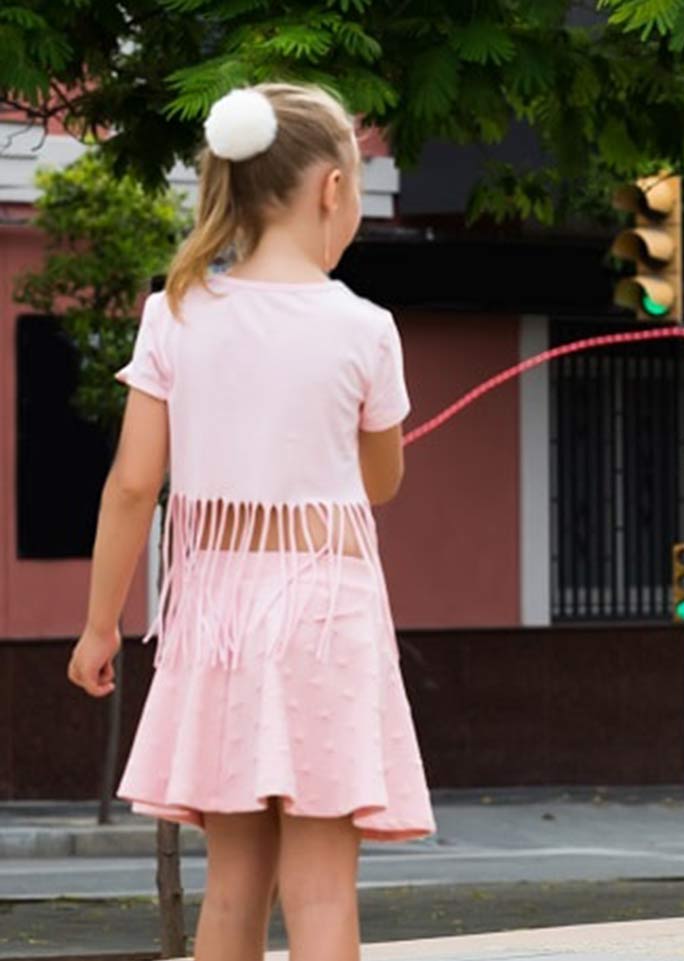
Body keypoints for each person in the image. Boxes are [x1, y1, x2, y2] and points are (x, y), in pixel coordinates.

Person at [66, 83, 432, 961]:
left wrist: (97, 625)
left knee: (231, 889)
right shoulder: (364, 327)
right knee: (320, 891)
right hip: (327, 620)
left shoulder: (175, 313)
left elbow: (130, 486)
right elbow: (382, 481)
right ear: (333, 190)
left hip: (217, 617)